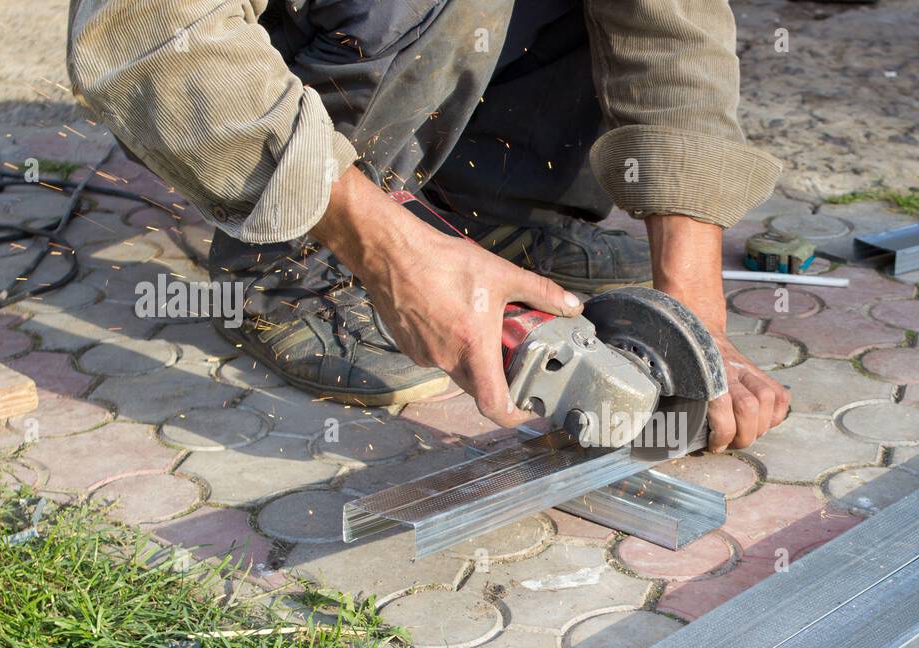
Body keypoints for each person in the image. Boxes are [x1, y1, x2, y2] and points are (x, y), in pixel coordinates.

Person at [66, 0, 791, 451]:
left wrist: (691, 307)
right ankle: (296, 255)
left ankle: (486, 213)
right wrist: (384, 251)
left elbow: (671, 23)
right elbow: (145, 26)